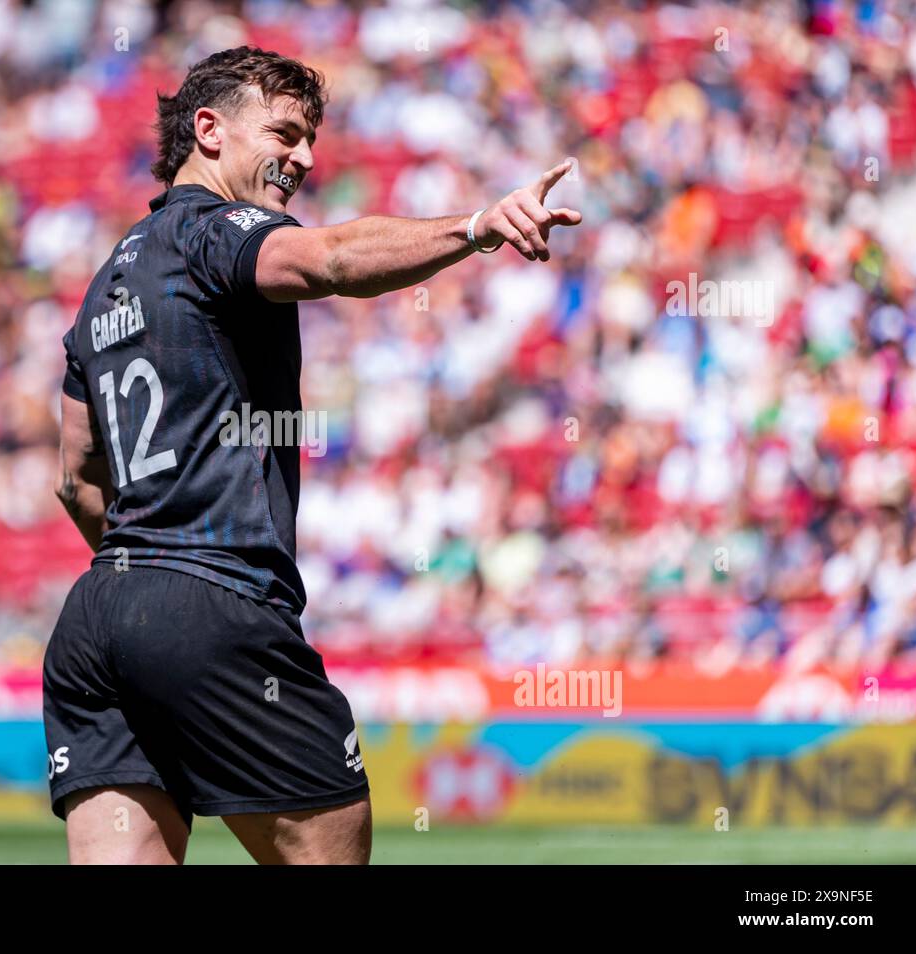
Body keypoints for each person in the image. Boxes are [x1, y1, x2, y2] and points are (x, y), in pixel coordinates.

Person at [47, 45, 581, 864]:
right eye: (285, 134)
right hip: (214, 601)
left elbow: (74, 478)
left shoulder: (103, 288)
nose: (304, 158)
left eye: (310, 141)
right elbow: (327, 259)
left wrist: (143, 582)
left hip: (95, 624)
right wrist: (476, 227)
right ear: (209, 130)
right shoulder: (214, 230)